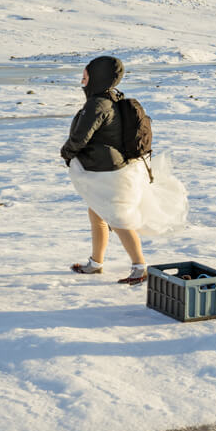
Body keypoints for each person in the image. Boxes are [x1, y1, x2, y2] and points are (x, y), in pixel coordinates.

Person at [61, 55, 188, 283]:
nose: (82, 80)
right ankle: (96, 263)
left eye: (85, 76)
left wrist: (66, 152)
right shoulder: (113, 98)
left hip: (108, 173)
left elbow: (80, 138)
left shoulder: (97, 104)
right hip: (115, 170)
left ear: (97, 76)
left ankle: (140, 268)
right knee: (97, 213)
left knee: (119, 220)